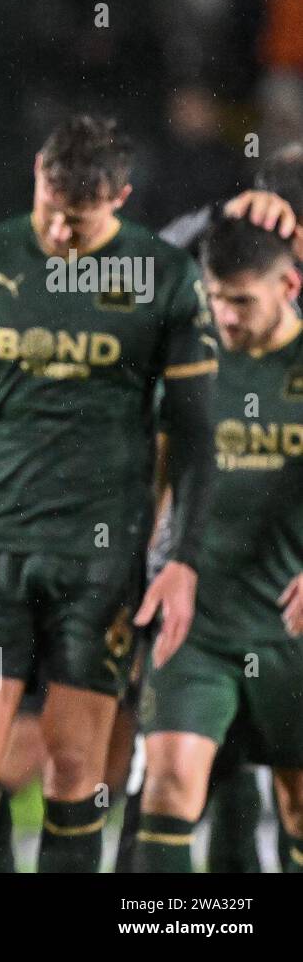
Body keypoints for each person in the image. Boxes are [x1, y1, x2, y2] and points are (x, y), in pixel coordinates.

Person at [0, 114, 217, 873]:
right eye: (49, 208)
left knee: (74, 778)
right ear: (36, 174)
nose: (59, 230)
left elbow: (195, 435)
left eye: (80, 219)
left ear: (120, 198)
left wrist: (183, 558)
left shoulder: (163, 278)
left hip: (99, 563)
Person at [134, 214, 303, 872]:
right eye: (216, 296)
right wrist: (137, 576)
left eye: (243, 300)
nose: (227, 316)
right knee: (170, 784)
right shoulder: (189, 359)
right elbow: (156, 476)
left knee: (295, 805)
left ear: (289, 284)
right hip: (195, 621)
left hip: (287, 624)